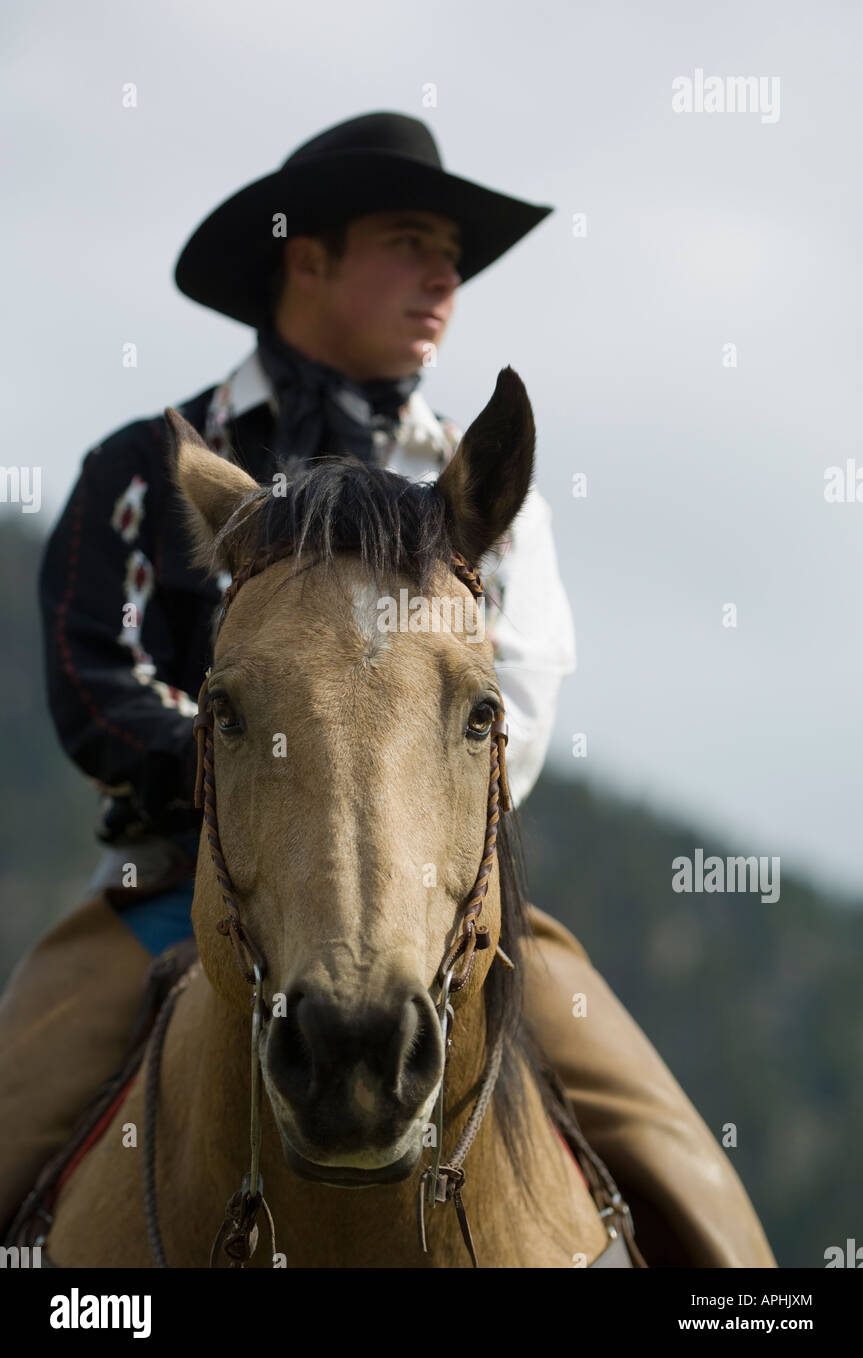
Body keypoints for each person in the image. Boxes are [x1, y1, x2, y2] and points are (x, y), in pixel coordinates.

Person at [0, 112, 775, 1265]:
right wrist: (253, 775)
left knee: (685, 1173)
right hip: (177, 880)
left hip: (454, 896)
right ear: (302, 258)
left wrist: (392, 791)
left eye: (454, 256)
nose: (445, 276)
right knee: (15, 1112)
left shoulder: (482, 483)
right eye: (411, 241)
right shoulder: (143, 465)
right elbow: (91, 670)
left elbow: (518, 695)